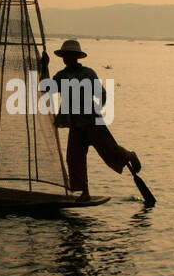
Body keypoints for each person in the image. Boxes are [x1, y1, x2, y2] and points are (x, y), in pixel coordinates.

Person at [49, 39, 140, 200]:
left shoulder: (88, 74)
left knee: (110, 151)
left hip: (92, 123)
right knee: (74, 159)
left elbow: (102, 94)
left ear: (76, 57)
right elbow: (45, 87)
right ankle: (84, 192)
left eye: (69, 56)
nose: (66, 59)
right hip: (76, 126)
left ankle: (130, 155)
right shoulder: (61, 76)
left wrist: (96, 109)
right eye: (65, 56)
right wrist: (43, 65)